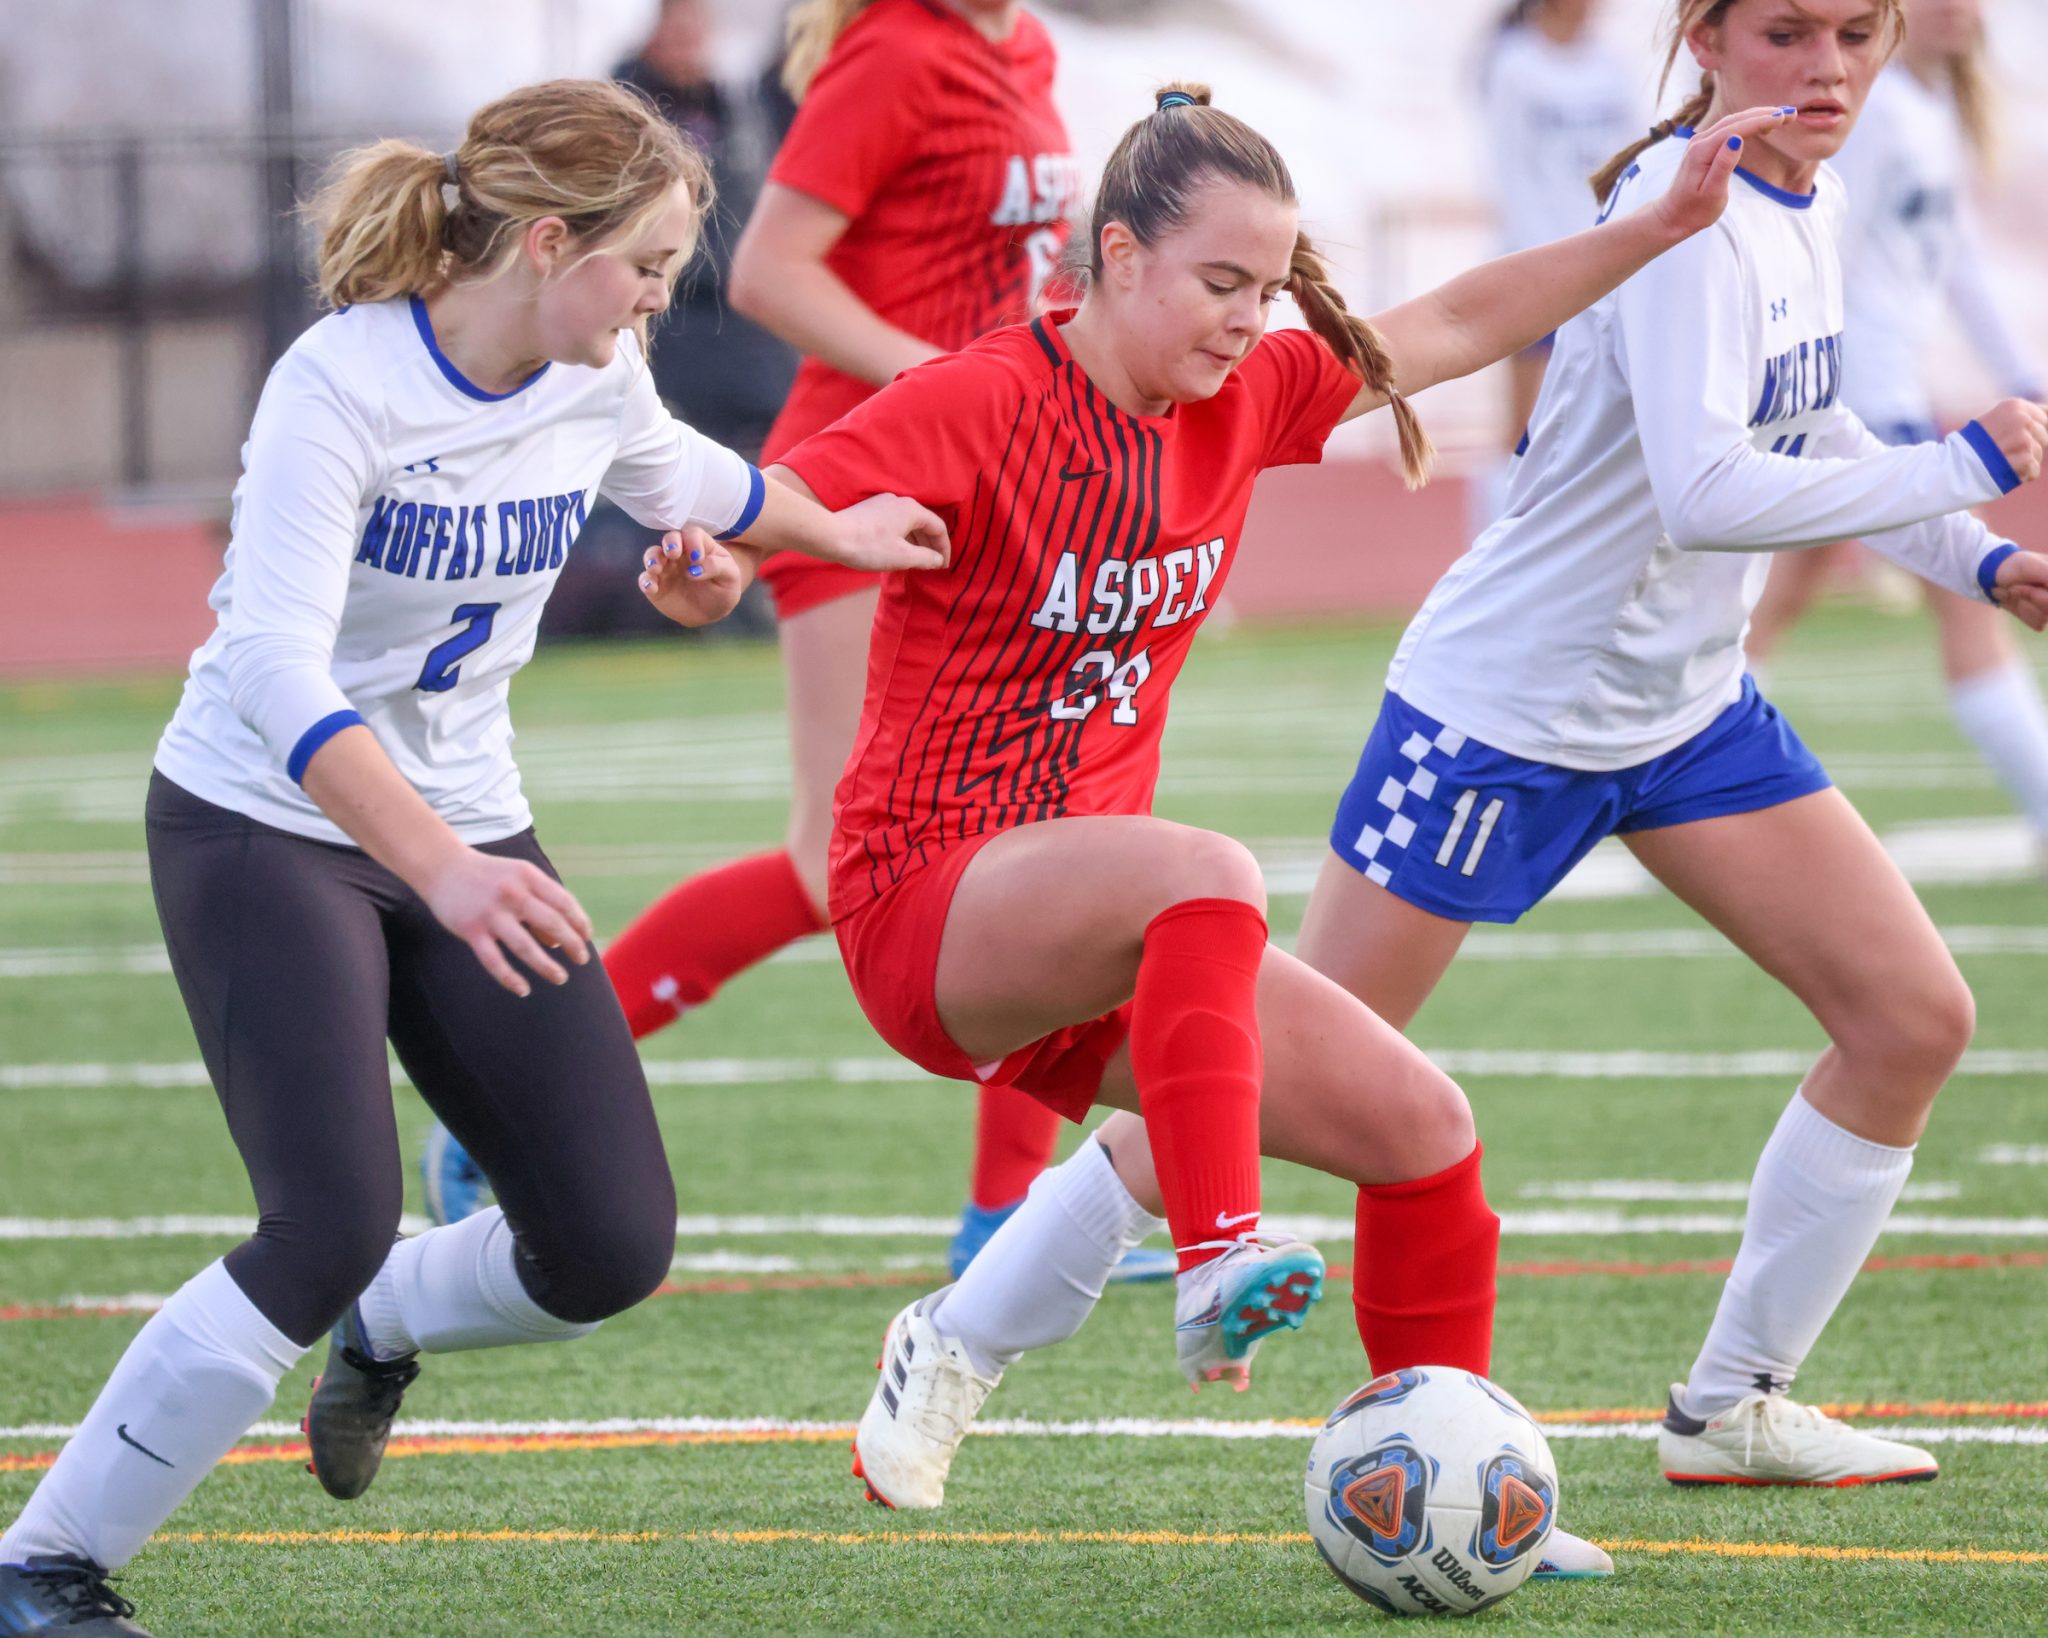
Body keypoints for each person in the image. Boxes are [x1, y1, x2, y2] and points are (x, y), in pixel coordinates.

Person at [636, 80, 1792, 1572]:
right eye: (1219, 283)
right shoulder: (982, 395)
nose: (1251, 319)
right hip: (929, 906)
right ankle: (1215, 1247)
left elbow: (1450, 321)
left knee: (1427, 1135)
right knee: (1206, 868)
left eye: (1266, 287)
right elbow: (781, 497)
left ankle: (1468, 1487)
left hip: (1108, 936)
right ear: (1117, 256)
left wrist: (1660, 224)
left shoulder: (1245, 400)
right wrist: (711, 561)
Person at [0, 79, 944, 1636]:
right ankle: (45, 1561)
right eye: (644, 262)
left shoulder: (596, 361)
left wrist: (827, 536)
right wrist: (441, 867)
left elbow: (689, 488)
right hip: (266, 826)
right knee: (322, 1215)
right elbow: (272, 671)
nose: (661, 295)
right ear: (548, 240)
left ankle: (384, 1314)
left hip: (468, 826)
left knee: (609, 1244)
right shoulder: (341, 383)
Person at [1284, 0, 2047, 1490]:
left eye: (1855, 34)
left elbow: (1813, 430)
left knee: (1912, 1017)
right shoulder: (1680, 211)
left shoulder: (1796, 191)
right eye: (1786, 33)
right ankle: (964, 1336)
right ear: (1703, 38)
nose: (1826, 67)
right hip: (1504, 714)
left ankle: (1732, 1404)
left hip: (1683, 710)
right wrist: (1960, 456)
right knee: (1283, 1073)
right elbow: (1708, 489)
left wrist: (1970, 553)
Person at [417, 0, 1139, 1279]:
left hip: (986, 490)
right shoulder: (897, 52)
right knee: (839, 866)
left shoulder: (1020, 45)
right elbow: (768, 274)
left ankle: (1002, 1219)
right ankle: (511, 1109)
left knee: (1045, 862)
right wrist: (960, 383)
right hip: (863, 480)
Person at [1743, 0, 2048, 873]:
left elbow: (1957, 265)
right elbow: (1818, 253)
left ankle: (1665, 754)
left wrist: (2019, 375)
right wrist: (1812, 388)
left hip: (1874, 390)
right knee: (1971, 605)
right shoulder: (1873, 118)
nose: (1962, 11)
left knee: (1769, 609)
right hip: (1859, 396)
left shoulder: (1934, 112)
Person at [1470, 0, 1640, 538]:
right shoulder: (1515, 64)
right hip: (1538, 264)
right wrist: (1546, 266)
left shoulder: (1613, 65)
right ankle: (1497, 547)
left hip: (1608, 262)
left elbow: (1635, 158)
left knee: (1606, 415)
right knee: (1525, 427)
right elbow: (1510, 173)